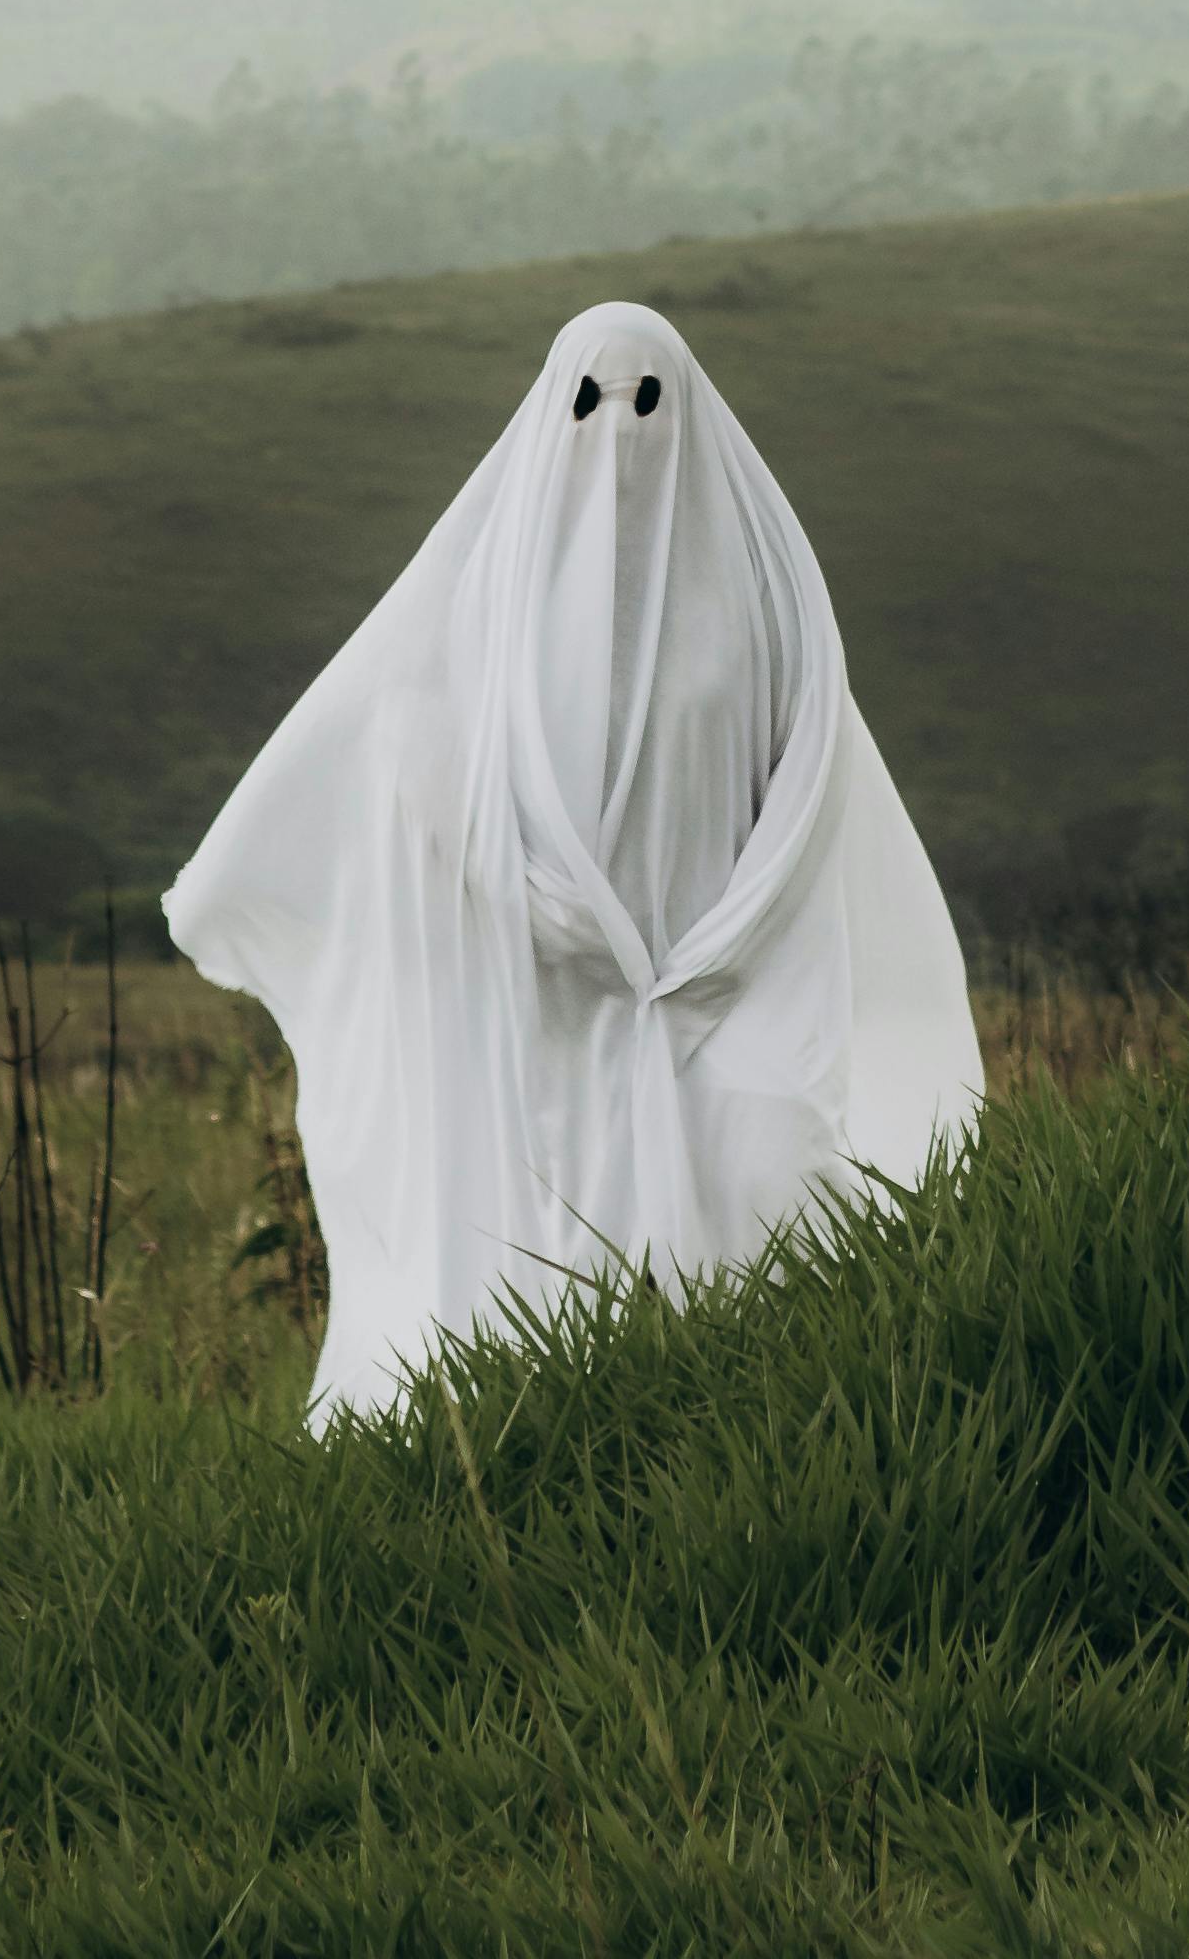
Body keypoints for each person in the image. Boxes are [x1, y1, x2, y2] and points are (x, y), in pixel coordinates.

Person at [163, 293, 984, 1425]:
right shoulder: (488, 615)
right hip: (543, 988)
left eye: (646, 400)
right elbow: (414, 756)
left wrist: (723, 944)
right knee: (554, 1238)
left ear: (686, 411)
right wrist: (543, 907)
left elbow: (810, 785)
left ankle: (754, 1438)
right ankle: (548, 1448)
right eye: (590, 402)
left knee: (760, 1200)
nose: (619, 429)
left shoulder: (760, 611)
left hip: (714, 980)